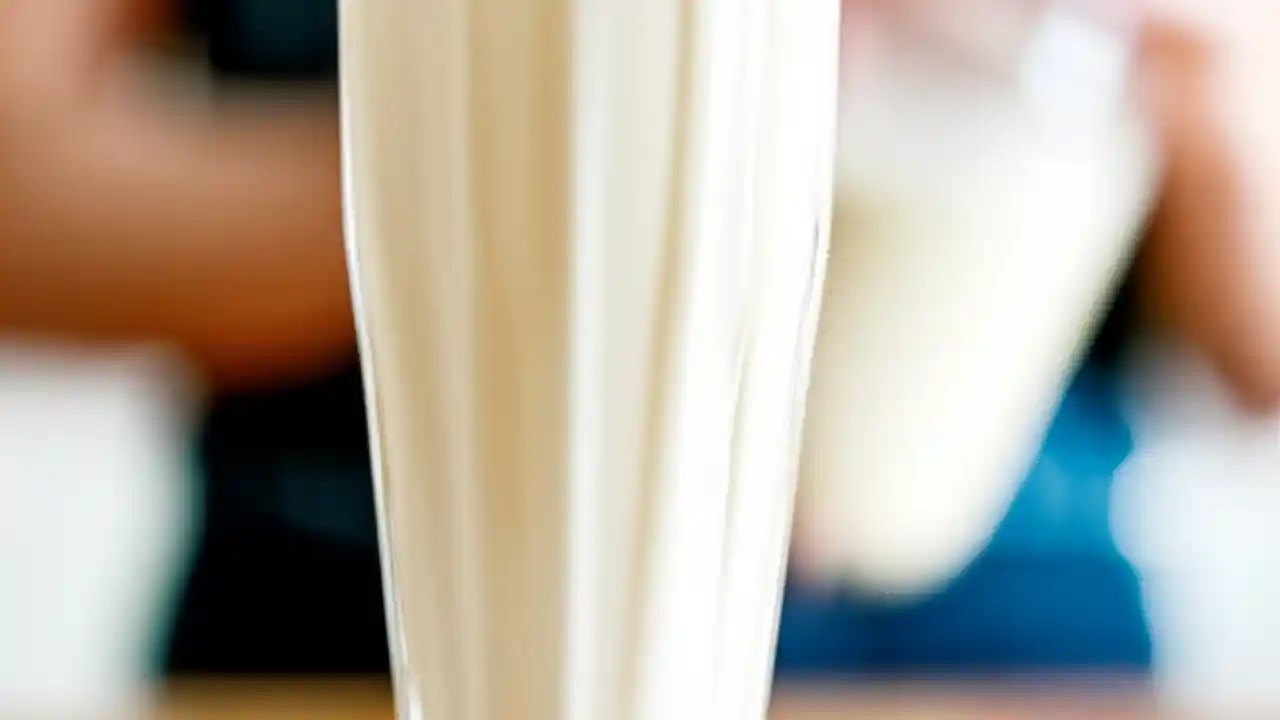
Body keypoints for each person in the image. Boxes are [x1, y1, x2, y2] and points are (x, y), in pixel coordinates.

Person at [1, 0, 1276, 675]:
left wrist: (1215, 82)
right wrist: (560, 158)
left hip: (999, 642)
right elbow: (22, 205)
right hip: (357, 624)